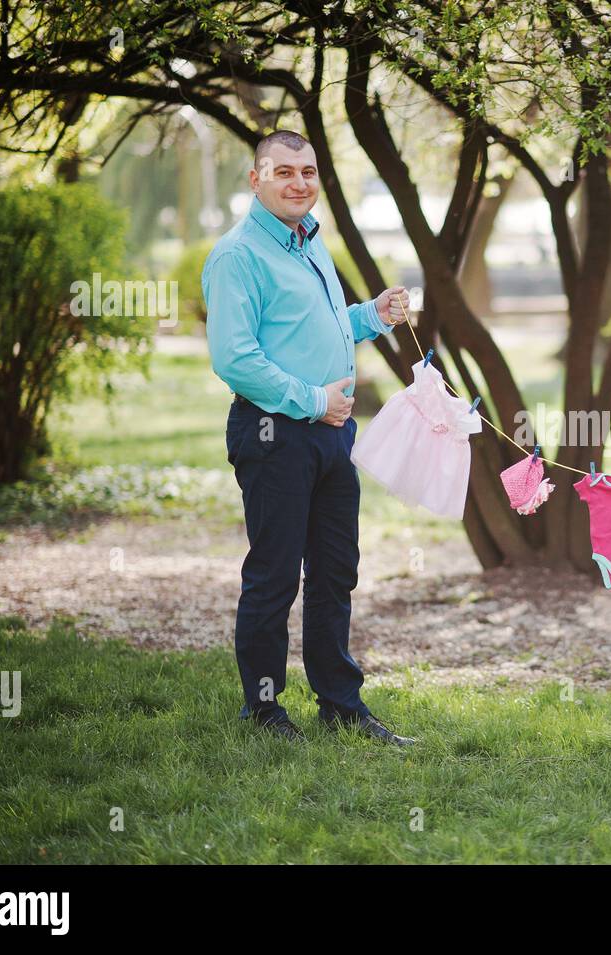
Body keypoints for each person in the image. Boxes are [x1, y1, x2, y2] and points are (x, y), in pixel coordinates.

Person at [202, 129, 416, 745]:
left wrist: (371, 315)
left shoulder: (309, 242)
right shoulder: (238, 256)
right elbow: (236, 359)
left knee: (334, 572)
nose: (299, 183)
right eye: (284, 172)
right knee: (274, 576)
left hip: (331, 435)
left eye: (308, 172)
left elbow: (321, 327)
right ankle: (264, 711)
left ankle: (341, 704)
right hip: (273, 434)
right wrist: (313, 400)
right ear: (256, 179)